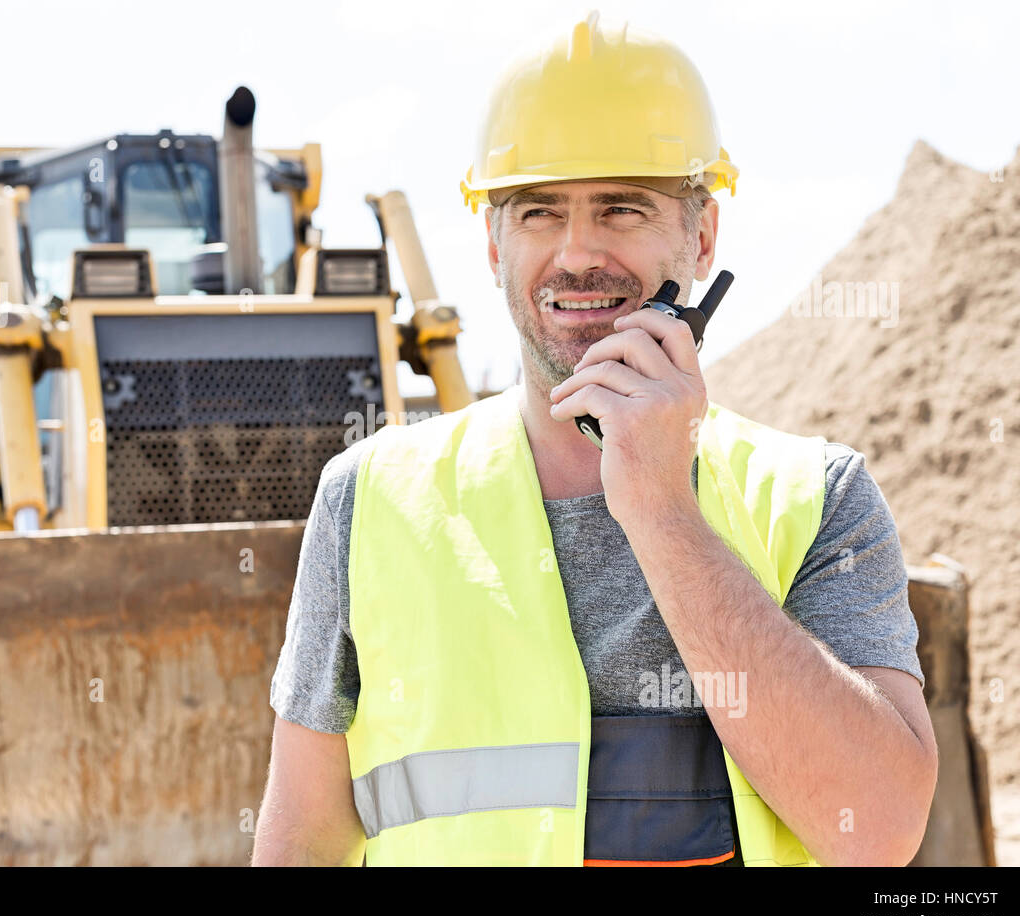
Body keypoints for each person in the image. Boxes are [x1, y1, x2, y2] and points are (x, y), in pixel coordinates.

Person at [253, 12, 937, 867]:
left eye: (623, 207)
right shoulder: (368, 501)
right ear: (492, 244)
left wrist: (662, 511)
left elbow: (876, 831)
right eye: (539, 211)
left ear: (702, 238)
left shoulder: (814, 499)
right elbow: (302, 840)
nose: (578, 253)